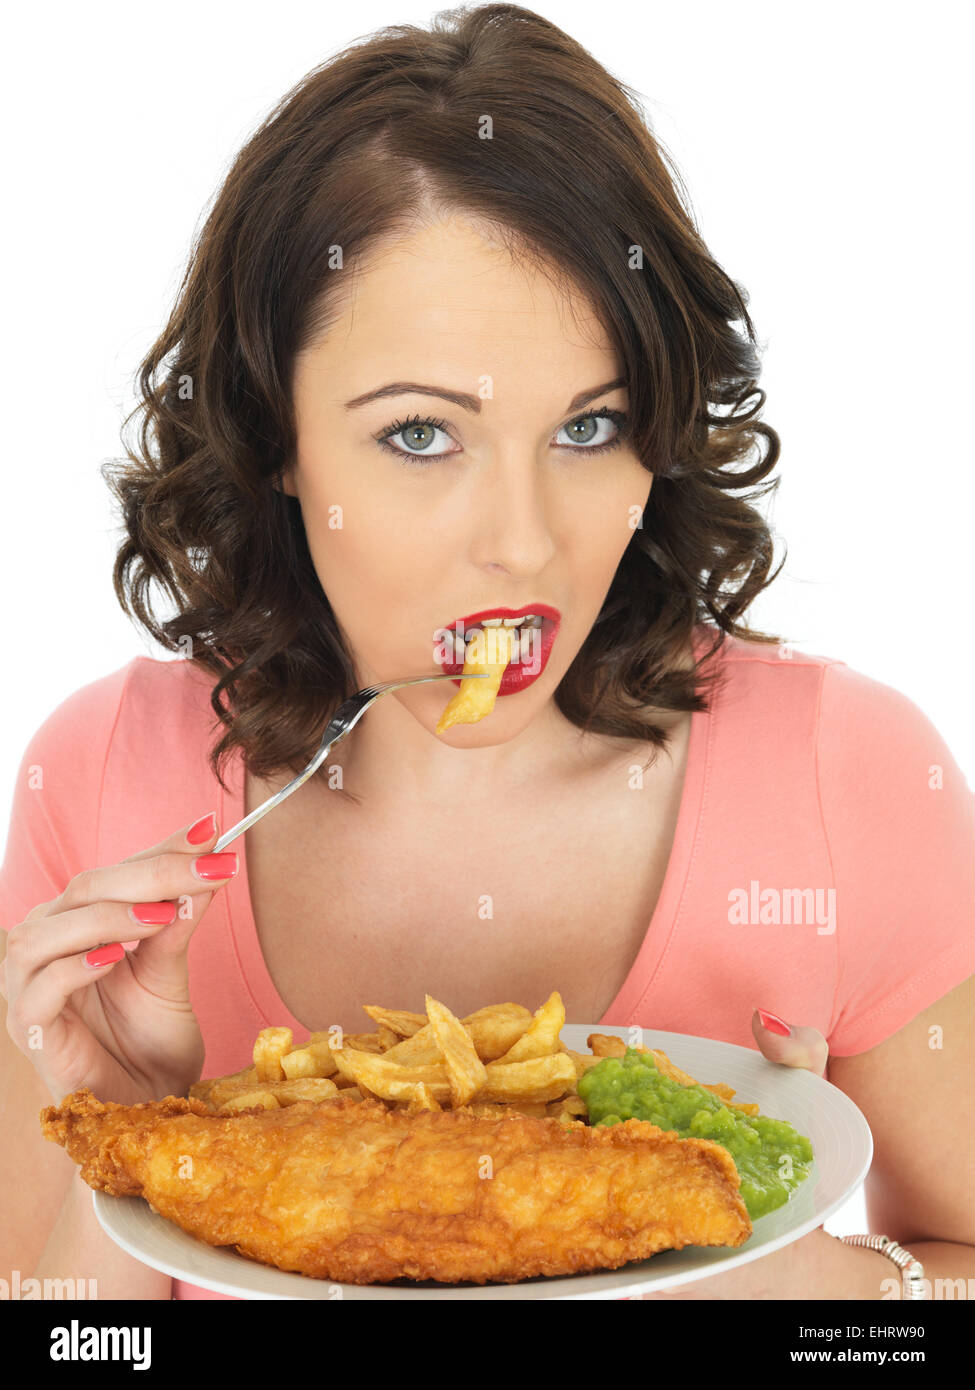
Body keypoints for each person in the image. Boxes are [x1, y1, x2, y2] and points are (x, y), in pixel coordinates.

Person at [2, 3, 973, 1302]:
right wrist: (120, 1157)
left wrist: (813, 1288)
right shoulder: (104, 779)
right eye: (420, 434)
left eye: (589, 427)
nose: (523, 545)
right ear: (277, 434)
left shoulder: (848, 778)